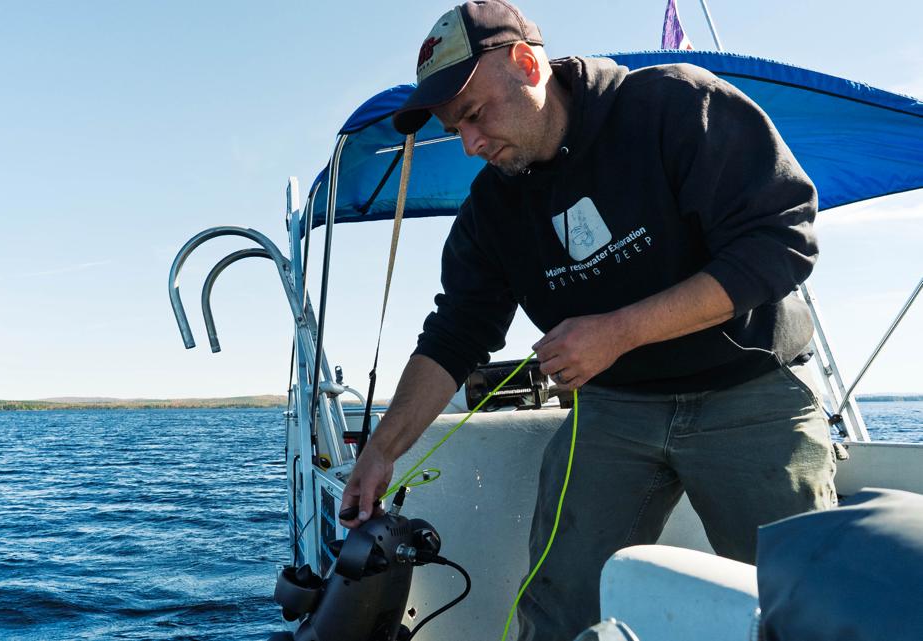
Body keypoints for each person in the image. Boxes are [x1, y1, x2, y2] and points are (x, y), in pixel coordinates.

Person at [338, 0, 838, 639]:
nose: (469, 144)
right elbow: (456, 334)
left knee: (802, 605)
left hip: (749, 392)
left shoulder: (674, 107)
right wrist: (380, 451)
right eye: (453, 128)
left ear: (525, 63)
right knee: (558, 604)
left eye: (474, 114)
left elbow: (781, 240)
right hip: (613, 409)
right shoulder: (493, 210)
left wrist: (617, 331)